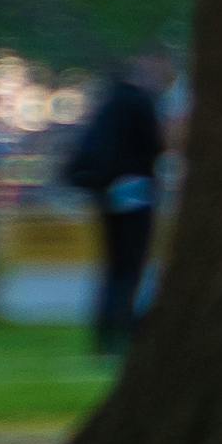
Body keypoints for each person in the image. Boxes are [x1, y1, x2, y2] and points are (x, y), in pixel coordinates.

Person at [66, 48, 173, 350]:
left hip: (107, 193)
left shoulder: (114, 101)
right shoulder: (141, 104)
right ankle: (121, 327)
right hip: (135, 192)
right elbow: (156, 146)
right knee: (130, 265)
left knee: (114, 265)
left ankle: (107, 331)